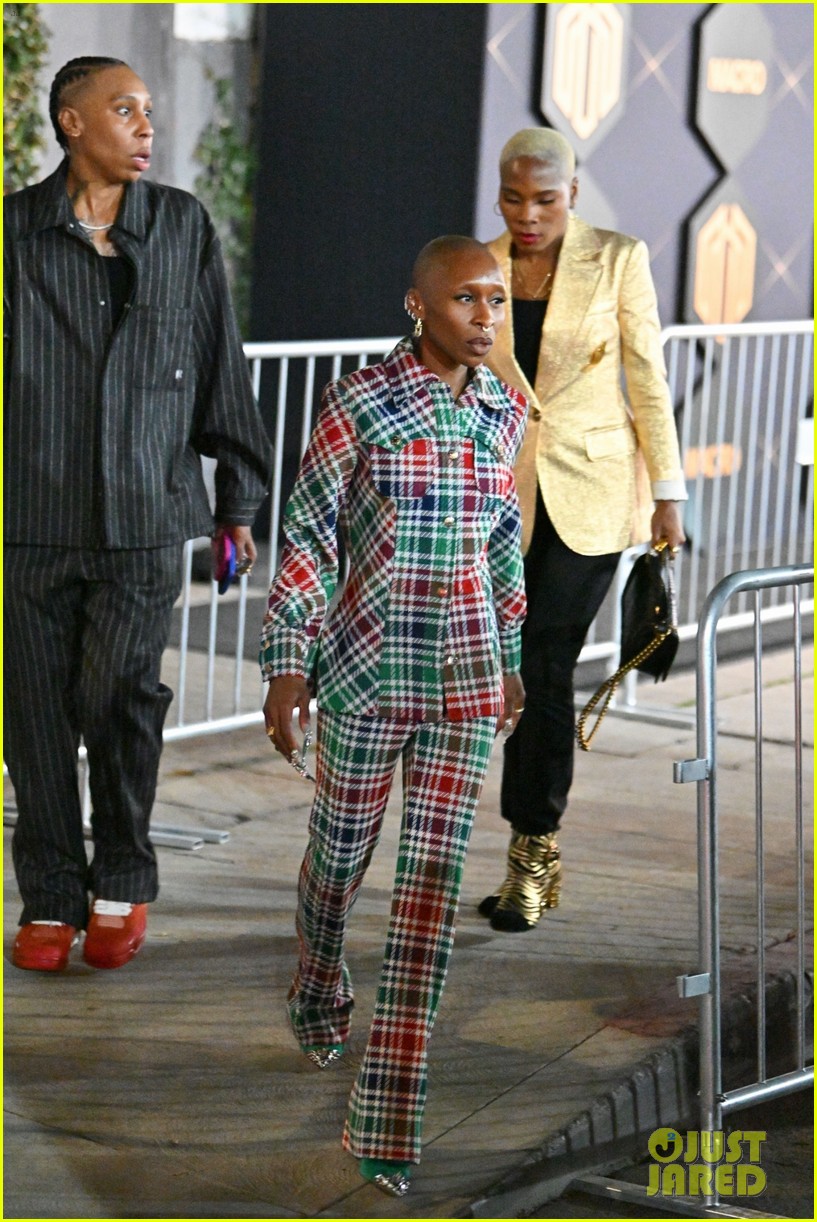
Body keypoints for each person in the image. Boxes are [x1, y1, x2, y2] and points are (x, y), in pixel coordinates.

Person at [260, 236, 527, 1196]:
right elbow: (307, 541)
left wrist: (510, 653)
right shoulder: (358, 403)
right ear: (418, 306)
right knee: (336, 866)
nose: (487, 318)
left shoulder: (504, 410)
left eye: (496, 301)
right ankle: (317, 975)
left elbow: (502, 541)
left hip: (462, 686)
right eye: (467, 300)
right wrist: (288, 666)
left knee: (426, 902)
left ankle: (385, 1121)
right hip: (367, 678)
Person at [4, 57, 272, 973]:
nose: (145, 126)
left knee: (115, 694)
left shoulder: (182, 225)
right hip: (28, 515)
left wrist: (238, 495)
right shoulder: (13, 232)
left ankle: (120, 875)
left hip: (148, 515)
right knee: (34, 713)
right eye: (125, 110)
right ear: (73, 123)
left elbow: (217, 362)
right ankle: (48, 893)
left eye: (149, 111)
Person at [478, 127, 687, 933]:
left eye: (544, 199)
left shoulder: (617, 257)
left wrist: (667, 492)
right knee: (497, 668)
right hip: (499, 498)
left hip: (591, 495)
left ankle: (532, 853)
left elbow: (647, 375)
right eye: (512, 197)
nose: (526, 214)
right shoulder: (481, 264)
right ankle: (513, 844)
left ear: (571, 193)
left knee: (544, 661)